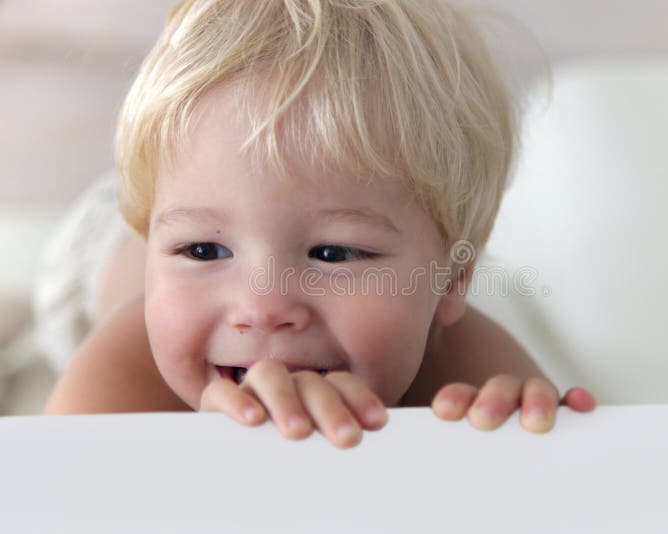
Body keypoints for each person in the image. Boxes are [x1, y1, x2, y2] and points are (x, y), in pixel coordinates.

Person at [44, 0, 594, 447]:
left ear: (452, 282)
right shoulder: (123, 376)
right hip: (100, 251)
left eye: (332, 254)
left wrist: (527, 436)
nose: (262, 308)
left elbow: (566, 488)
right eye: (204, 253)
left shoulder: (462, 369)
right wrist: (215, 451)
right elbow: (51, 493)